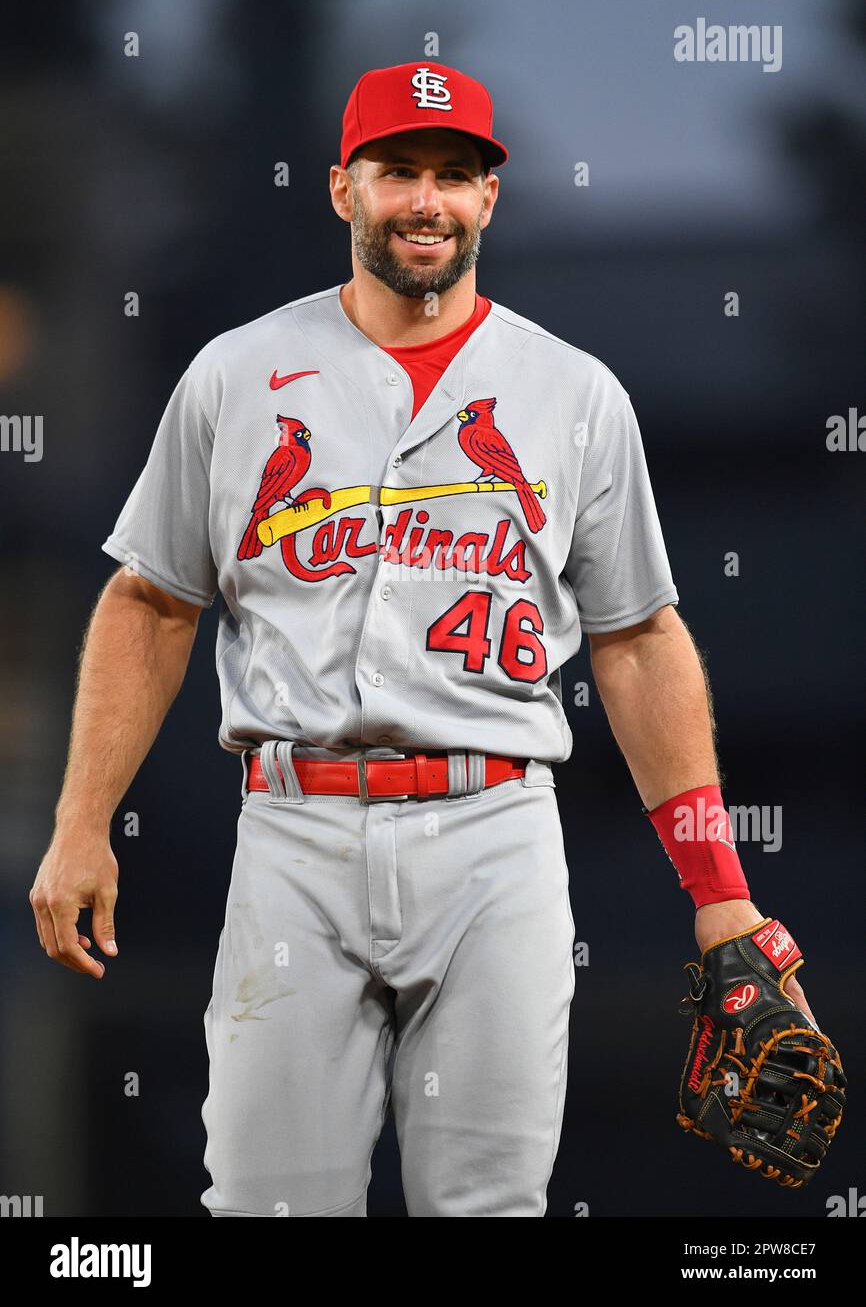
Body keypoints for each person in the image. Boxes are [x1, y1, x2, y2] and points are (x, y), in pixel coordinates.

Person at [30, 61, 816, 1217]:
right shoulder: (235, 376)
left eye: (455, 174)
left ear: (489, 199)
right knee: (265, 1205)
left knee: (488, 1206)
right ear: (342, 187)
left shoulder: (573, 393)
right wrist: (81, 824)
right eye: (398, 170)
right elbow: (149, 601)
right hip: (293, 831)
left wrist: (719, 890)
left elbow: (638, 638)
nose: (427, 200)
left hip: (493, 836)